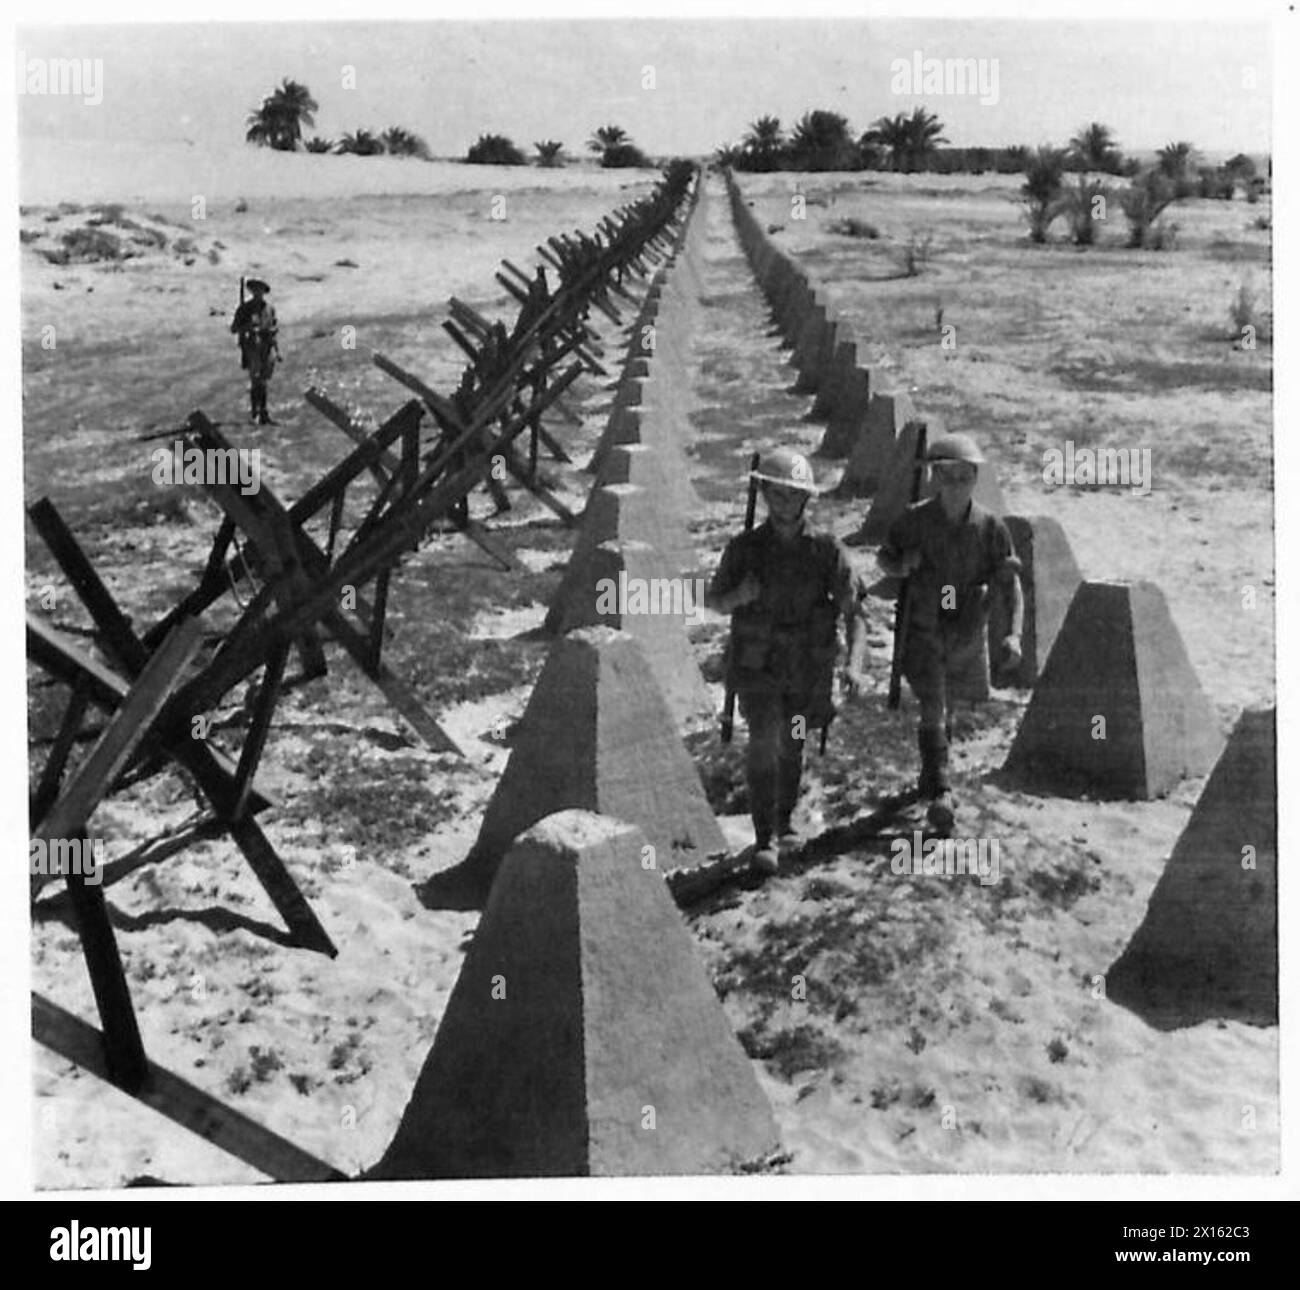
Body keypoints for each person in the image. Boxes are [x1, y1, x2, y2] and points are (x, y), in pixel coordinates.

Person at [707, 446, 869, 875]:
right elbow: (714, 600)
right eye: (775, 494)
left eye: (791, 495)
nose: (783, 503)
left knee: (793, 740)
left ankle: (784, 818)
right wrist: (738, 597)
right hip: (759, 670)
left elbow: (856, 614)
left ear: (805, 500)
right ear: (765, 497)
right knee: (763, 740)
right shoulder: (744, 549)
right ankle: (764, 837)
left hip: (806, 673)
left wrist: (854, 664)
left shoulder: (826, 552)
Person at [877, 433, 1024, 833]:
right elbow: (884, 559)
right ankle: (941, 790)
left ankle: (932, 770)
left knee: (950, 706)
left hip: (967, 629)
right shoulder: (913, 521)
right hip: (923, 627)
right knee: (933, 703)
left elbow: (1010, 584)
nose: (956, 485)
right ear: (935, 478)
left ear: (975, 478)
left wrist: (1013, 635)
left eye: (964, 477)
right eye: (947, 476)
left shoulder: (990, 527)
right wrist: (902, 564)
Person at [231, 278, 279, 425]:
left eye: (260, 289)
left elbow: (274, 325)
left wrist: (272, 334)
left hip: (266, 346)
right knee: (255, 379)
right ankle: (255, 412)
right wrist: (247, 326)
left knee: (263, 380)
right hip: (252, 346)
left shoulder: (269, 309)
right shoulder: (244, 309)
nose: (258, 293)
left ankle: (263, 412)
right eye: (255, 289)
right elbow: (234, 328)